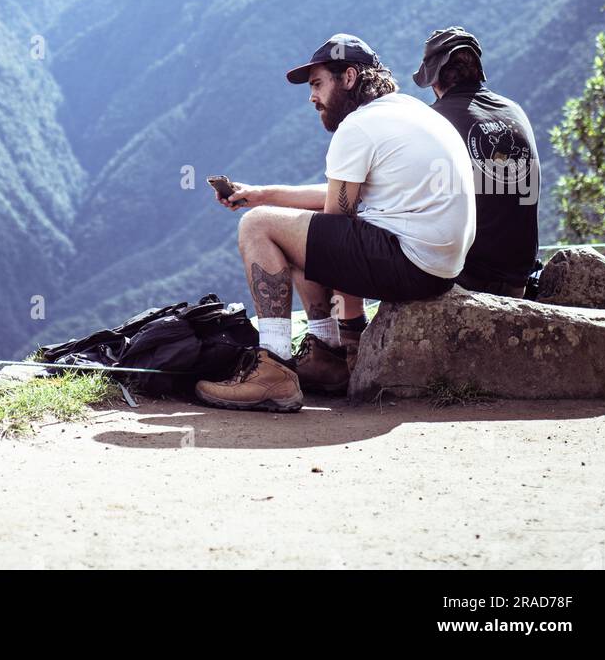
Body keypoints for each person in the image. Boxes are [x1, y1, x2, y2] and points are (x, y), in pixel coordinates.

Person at [194, 33, 476, 412]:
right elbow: (339, 200)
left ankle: (275, 368)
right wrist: (262, 193)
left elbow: (334, 225)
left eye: (317, 84)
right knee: (287, 223)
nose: (312, 98)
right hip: (440, 266)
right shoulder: (409, 110)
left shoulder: (358, 127)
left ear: (349, 78)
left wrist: (264, 214)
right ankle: (328, 356)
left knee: (258, 227)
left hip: (411, 264)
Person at [413, 27, 540, 299]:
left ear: (434, 79)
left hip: (471, 282)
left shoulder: (433, 121)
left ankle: (345, 329)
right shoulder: (513, 110)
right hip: (520, 280)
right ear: (478, 71)